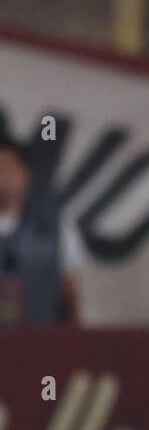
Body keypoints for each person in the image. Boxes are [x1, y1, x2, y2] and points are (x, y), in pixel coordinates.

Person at [0, 129, 84, 326]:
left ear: (25, 174)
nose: (1, 178)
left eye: (7, 169)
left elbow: (69, 286)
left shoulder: (54, 219)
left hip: (41, 340)